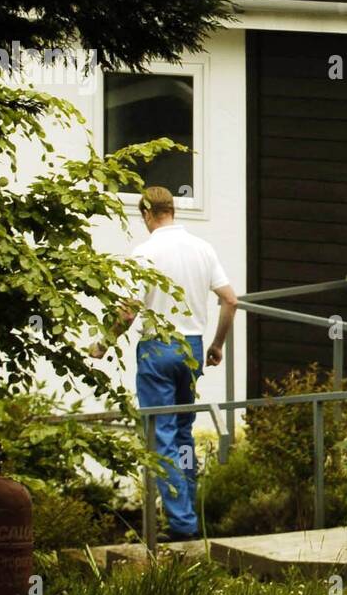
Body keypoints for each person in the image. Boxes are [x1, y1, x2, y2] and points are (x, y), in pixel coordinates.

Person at [90, 186, 237, 541]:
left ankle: (182, 525)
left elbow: (128, 310)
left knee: (162, 436)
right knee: (183, 433)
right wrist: (216, 344)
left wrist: (101, 345)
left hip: (157, 349)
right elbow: (230, 300)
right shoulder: (203, 248)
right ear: (173, 210)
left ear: (146, 213)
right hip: (192, 348)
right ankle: (189, 513)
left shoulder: (145, 253)